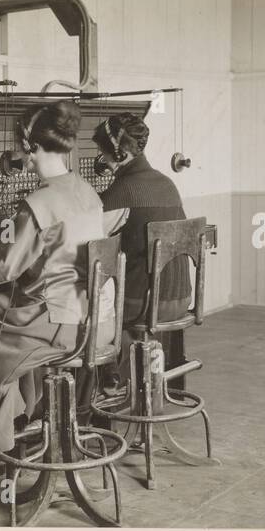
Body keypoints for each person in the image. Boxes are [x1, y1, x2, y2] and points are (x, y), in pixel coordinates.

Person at [0, 100, 108, 455]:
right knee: (3, 309)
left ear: (32, 147)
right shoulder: (87, 191)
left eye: (19, 145)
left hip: (57, 324)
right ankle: (22, 413)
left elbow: (0, 270)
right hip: (95, 320)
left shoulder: (38, 202)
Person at [93, 113, 190, 388]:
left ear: (119, 153)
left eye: (105, 155)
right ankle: (135, 387)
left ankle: (104, 392)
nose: (105, 163)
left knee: (89, 299)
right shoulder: (167, 184)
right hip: (180, 299)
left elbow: (89, 238)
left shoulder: (123, 189)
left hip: (146, 304)